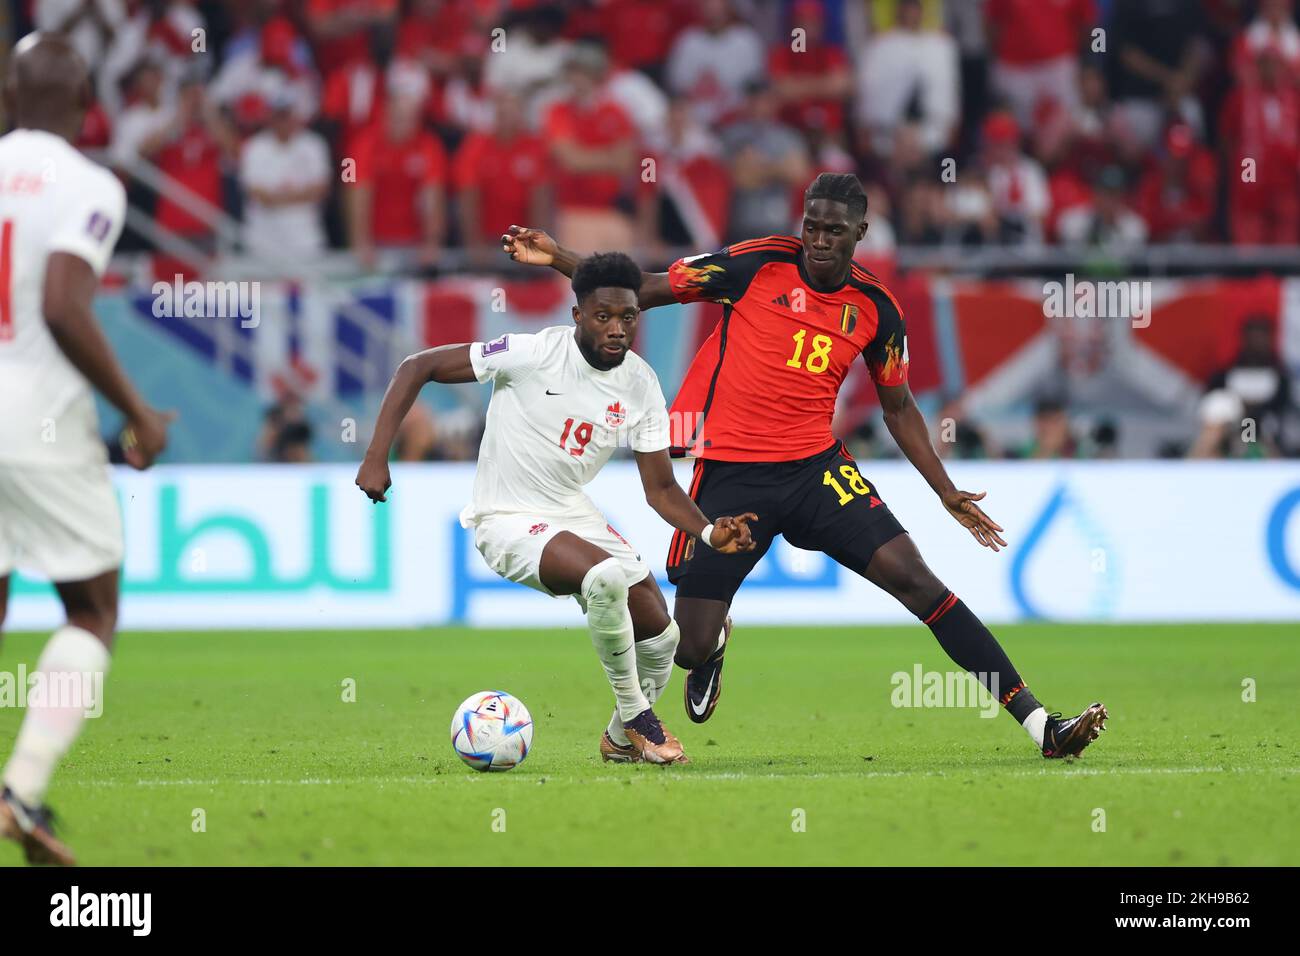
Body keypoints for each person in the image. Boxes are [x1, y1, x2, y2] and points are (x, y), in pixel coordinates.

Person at [502, 172, 1108, 760]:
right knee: (685, 647)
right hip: (732, 475)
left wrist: (945, 490)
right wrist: (560, 258)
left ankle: (1041, 726)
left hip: (817, 471)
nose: (819, 240)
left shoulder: (876, 309)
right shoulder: (754, 264)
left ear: (860, 232)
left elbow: (898, 407)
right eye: (811, 227)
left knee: (919, 582)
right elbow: (645, 290)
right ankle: (713, 650)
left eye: (834, 231)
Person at [355, 253, 757, 765]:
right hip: (505, 516)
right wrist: (376, 456)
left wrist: (707, 533)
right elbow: (419, 366)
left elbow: (660, 488)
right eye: (603, 316)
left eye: (628, 318)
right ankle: (637, 716)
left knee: (662, 639)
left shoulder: (641, 383)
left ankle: (617, 740)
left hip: (571, 511)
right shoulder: (530, 354)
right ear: (578, 316)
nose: (617, 329)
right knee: (605, 577)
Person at [0, 33, 174, 866]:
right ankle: (22, 790)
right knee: (91, 609)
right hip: (36, 425)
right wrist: (136, 409)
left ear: (8, 98)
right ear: (86, 106)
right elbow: (65, 305)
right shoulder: (88, 184)